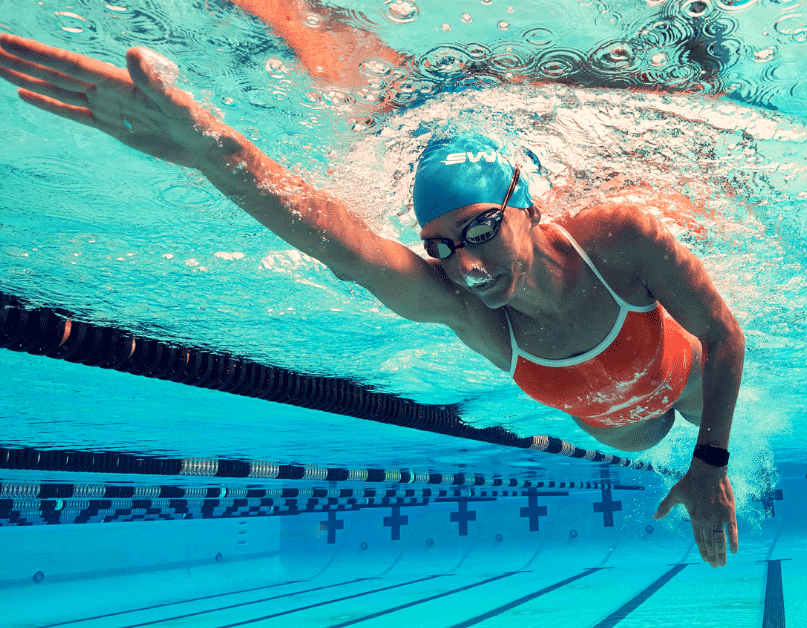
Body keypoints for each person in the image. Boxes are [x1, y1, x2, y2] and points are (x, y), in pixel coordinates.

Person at [0, 22, 744, 568]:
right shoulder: (472, 314)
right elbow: (344, 246)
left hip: (683, 379)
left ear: (525, 205)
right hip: (620, 427)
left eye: (481, 229)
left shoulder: (620, 239)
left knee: (691, 405)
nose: (466, 266)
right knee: (645, 439)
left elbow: (723, 334)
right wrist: (213, 153)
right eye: (441, 247)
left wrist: (711, 462)